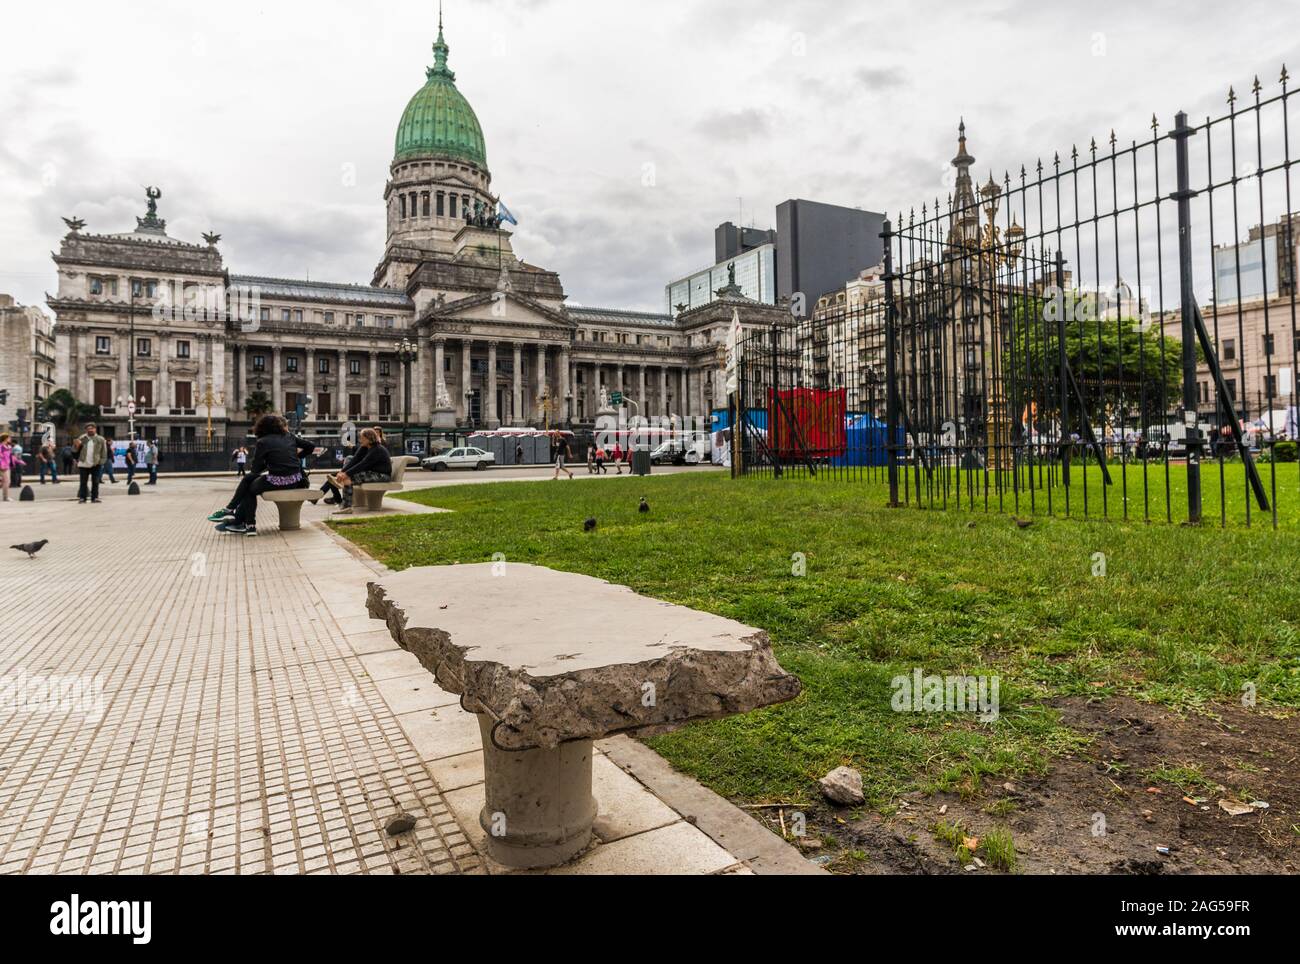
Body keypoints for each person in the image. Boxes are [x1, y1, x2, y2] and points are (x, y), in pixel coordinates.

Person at [216, 415, 313, 535]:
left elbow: (255, 469)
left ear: (262, 428)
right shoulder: (289, 437)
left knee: (248, 487)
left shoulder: (263, 442)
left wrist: (266, 463)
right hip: (294, 480)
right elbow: (310, 446)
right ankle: (234, 514)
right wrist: (297, 456)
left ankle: (248, 524)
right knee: (248, 481)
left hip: (276, 481)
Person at [323, 428, 392, 512]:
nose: (360, 440)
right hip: (372, 472)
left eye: (362, 438)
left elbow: (363, 464)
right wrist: (342, 472)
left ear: (369, 439)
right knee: (349, 462)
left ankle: (346, 507)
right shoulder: (365, 447)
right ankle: (345, 504)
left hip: (382, 475)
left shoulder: (377, 449)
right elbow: (355, 460)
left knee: (347, 478)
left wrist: (346, 474)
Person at [73, 422, 108, 503]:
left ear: (95, 429)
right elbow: (75, 450)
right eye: (88, 429)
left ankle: (95, 497)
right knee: (83, 482)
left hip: (96, 463)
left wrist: (101, 462)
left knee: (95, 482)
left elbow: (104, 451)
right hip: (83, 463)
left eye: (92, 428)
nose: (90, 430)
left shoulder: (101, 439)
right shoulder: (82, 438)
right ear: (86, 430)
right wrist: (76, 445)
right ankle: (82, 498)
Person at [0, 433, 23, 502]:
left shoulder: (9, 447)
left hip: (7, 466)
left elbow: (11, 457)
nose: (10, 439)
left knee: (6, 482)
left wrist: (19, 461)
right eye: (9, 438)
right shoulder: (1, 447)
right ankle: (5, 497)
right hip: (3, 466)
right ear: (5, 439)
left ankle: (5, 497)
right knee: (6, 482)